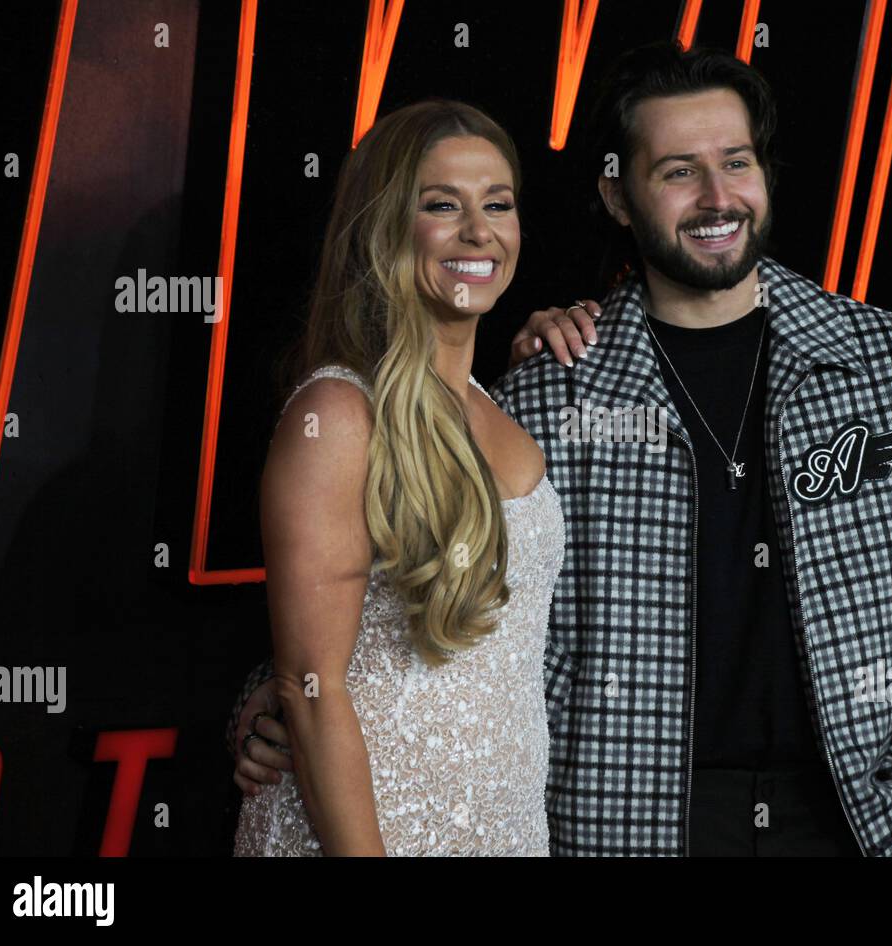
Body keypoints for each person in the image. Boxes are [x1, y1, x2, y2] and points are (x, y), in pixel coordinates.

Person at [232, 40, 892, 857]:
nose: (716, 196)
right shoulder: (551, 389)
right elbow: (454, 618)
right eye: (676, 172)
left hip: (852, 815)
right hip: (623, 823)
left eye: (736, 161)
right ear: (618, 195)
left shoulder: (879, 359)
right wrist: (277, 697)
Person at [232, 99, 567, 856]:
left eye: (498, 204)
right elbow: (310, 691)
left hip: (509, 831)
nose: (478, 231)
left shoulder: (501, 407)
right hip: (368, 833)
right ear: (384, 226)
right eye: (442, 205)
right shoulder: (337, 414)